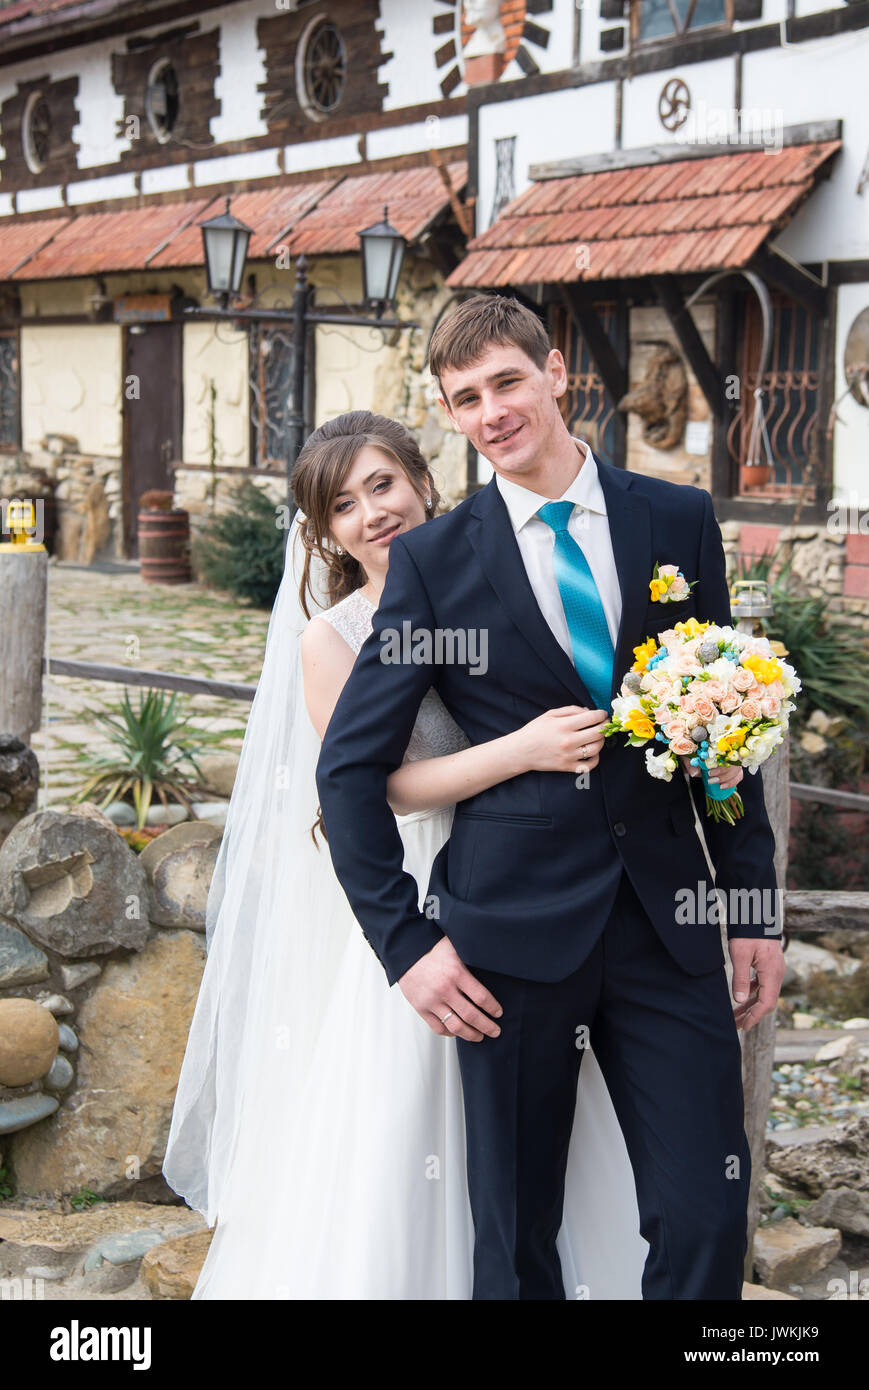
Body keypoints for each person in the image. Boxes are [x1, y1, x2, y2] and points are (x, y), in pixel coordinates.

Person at [315, 299, 786, 1301]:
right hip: (506, 940)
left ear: (555, 371)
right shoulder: (437, 564)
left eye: (505, 382)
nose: (490, 412)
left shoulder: (676, 520)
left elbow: (723, 727)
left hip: (666, 923)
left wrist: (748, 905)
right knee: (516, 1237)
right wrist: (405, 944)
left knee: (704, 1214)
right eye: (464, 399)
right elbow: (348, 770)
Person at [163, 409, 649, 1299]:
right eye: (342, 506)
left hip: (541, 888)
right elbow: (373, 783)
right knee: (414, 1115)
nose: (370, 514)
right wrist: (521, 752)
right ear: (326, 533)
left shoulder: (501, 572)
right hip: (422, 881)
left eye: (381, 484)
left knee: (541, 1130)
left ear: (424, 480)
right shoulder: (332, 637)